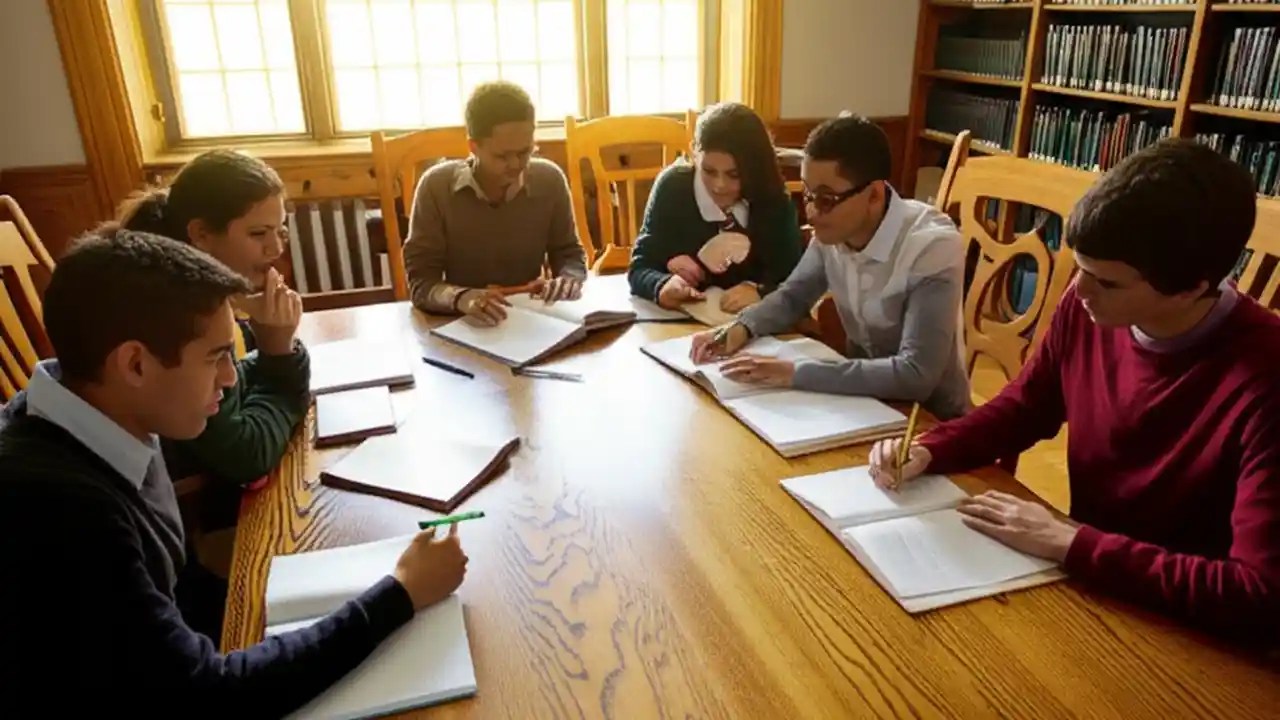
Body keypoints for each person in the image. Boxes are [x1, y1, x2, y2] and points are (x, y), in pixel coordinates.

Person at [0, 229, 468, 711]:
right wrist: (401, 594)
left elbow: (170, 593)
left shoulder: (100, 410)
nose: (229, 376)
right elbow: (213, 695)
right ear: (135, 364)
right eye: (217, 357)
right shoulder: (62, 512)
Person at [868, 139, 1280, 643]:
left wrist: (1073, 543)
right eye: (1079, 265)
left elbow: (1258, 594)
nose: (1078, 289)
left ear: (1193, 287)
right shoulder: (1090, 306)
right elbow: (1027, 407)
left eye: (1106, 281)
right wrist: (931, 450)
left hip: (1188, 631)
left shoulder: (1264, 379)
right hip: (1086, 584)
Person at [117, 149, 310, 638]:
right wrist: (279, 355)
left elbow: (236, 383)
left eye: (280, 231)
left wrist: (268, 357)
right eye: (258, 234)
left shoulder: (207, 298)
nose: (275, 249)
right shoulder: (176, 312)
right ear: (200, 235)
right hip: (200, 521)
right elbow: (247, 451)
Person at [689, 114, 971, 420]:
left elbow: (915, 375)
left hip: (931, 420)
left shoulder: (932, 246)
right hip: (860, 404)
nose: (811, 211)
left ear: (874, 194)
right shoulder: (833, 231)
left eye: (826, 198)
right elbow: (793, 297)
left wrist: (794, 372)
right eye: (808, 194)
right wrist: (740, 327)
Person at [404, 80, 587, 327]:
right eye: (502, 156)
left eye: (525, 152)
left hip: (530, 320)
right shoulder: (436, 187)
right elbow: (422, 282)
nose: (515, 165)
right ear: (473, 147)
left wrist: (569, 278)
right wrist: (461, 297)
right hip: (462, 323)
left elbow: (568, 252)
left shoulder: (549, 180)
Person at [628, 102, 803, 312]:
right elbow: (640, 266)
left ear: (756, 169)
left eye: (734, 175)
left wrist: (762, 292)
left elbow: (797, 281)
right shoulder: (673, 187)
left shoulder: (773, 200)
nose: (719, 186)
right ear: (694, 153)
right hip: (683, 324)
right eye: (709, 171)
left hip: (759, 329)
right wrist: (661, 285)